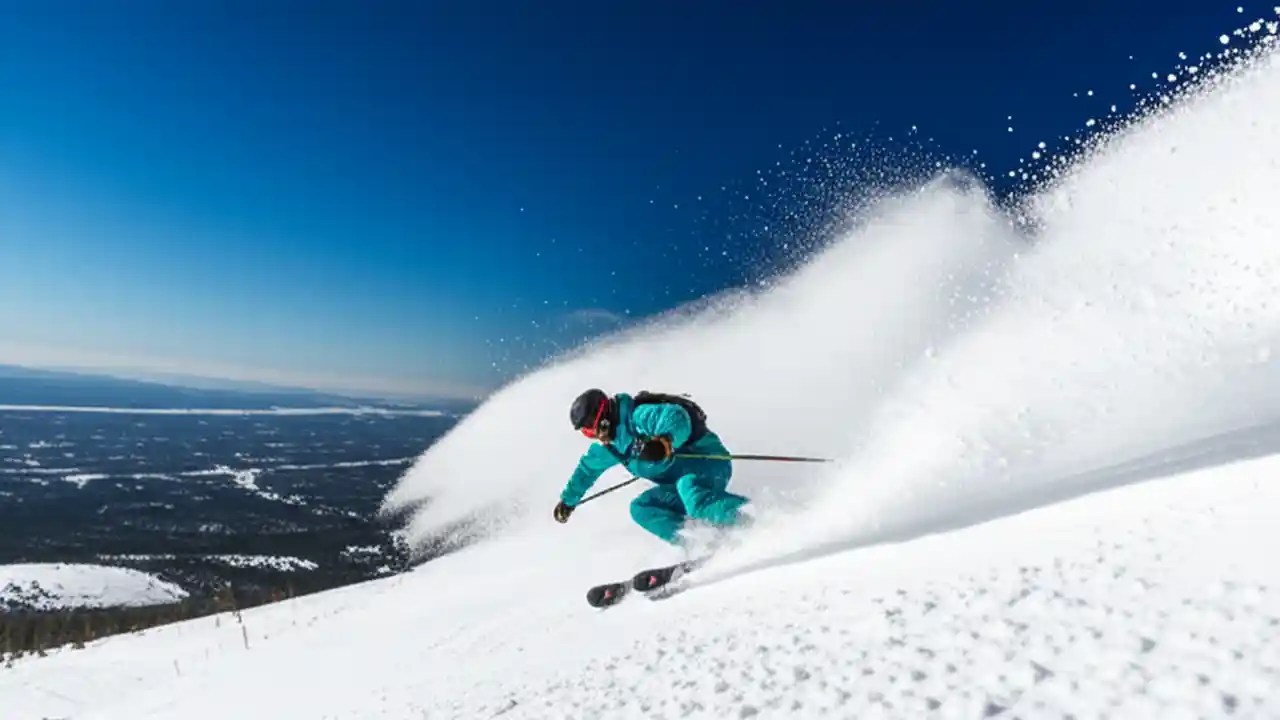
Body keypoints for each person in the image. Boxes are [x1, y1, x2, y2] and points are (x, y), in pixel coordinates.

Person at [553, 388, 750, 544]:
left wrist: (664, 441)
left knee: (694, 496)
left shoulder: (637, 416)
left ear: (602, 414)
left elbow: (676, 417)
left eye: (589, 426)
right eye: (586, 432)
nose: (592, 434)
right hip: (678, 484)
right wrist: (568, 501)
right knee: (641, 508)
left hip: (706, 463)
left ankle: (755, 522)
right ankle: (697, 543)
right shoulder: (612, 447)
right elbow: (586, 470)